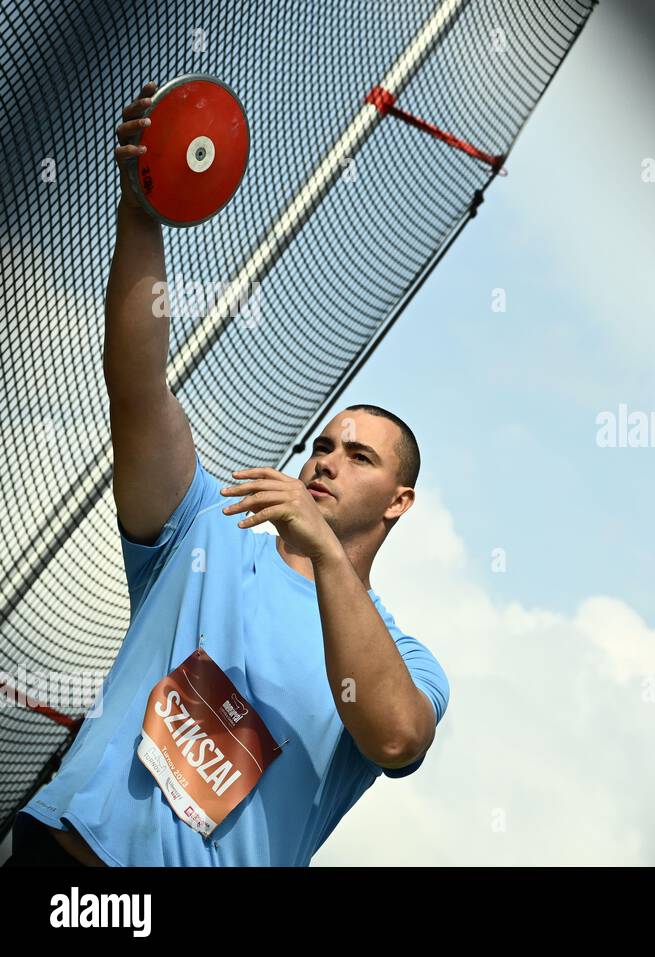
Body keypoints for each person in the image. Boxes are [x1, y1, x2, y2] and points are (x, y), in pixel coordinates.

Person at [6, 81, 449, 867]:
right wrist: (143, 212)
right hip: (62, 862)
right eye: (324, 444)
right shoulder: (208, 522)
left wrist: (320, 553)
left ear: (400, 501)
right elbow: (139, 389)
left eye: (360, 456)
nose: (326, 461)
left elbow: (393, 732)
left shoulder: (407, 659)